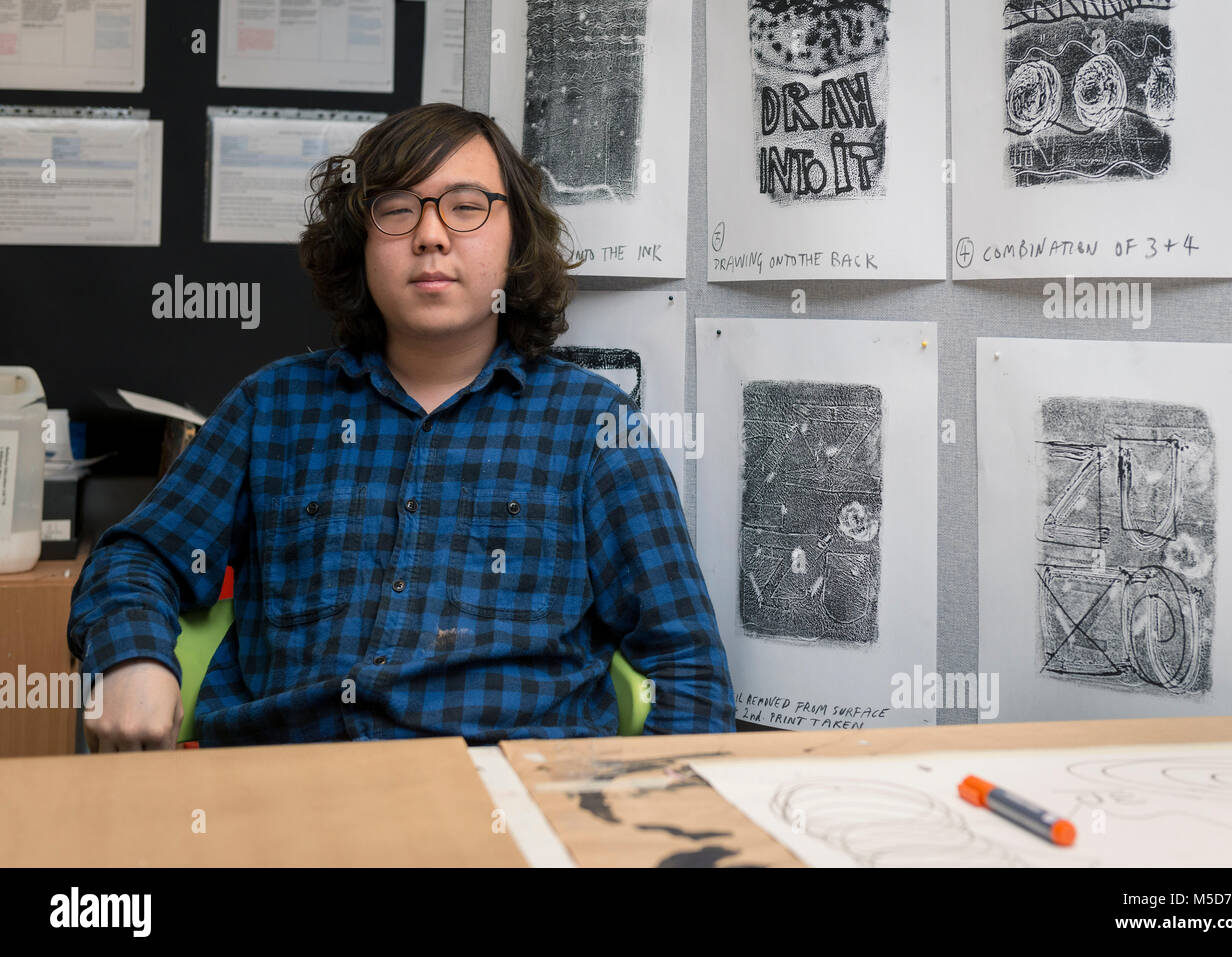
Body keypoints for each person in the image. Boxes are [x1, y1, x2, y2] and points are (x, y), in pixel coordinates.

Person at [67, 103, 735, 751]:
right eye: (396, 209)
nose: (431, 235)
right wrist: (131, 658)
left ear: (517, 237)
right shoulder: (270, 408)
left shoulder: (593, 428)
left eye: (467, 207)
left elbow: (689, 668)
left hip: (508, 803)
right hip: (287, 790)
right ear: (361, 242)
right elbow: (137, 556)